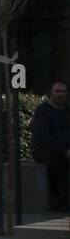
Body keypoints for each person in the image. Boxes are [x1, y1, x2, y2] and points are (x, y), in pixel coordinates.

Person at [31, 79, 69, 211]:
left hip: (65, 149)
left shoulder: (67, 110)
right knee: (59, 162)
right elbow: (44, 136)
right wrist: (64, 150)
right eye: (57, 91)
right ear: (51, 93)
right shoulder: (42, 111)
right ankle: (61, 201)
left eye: (63, 91)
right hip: (44, 149)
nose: (60, 94)